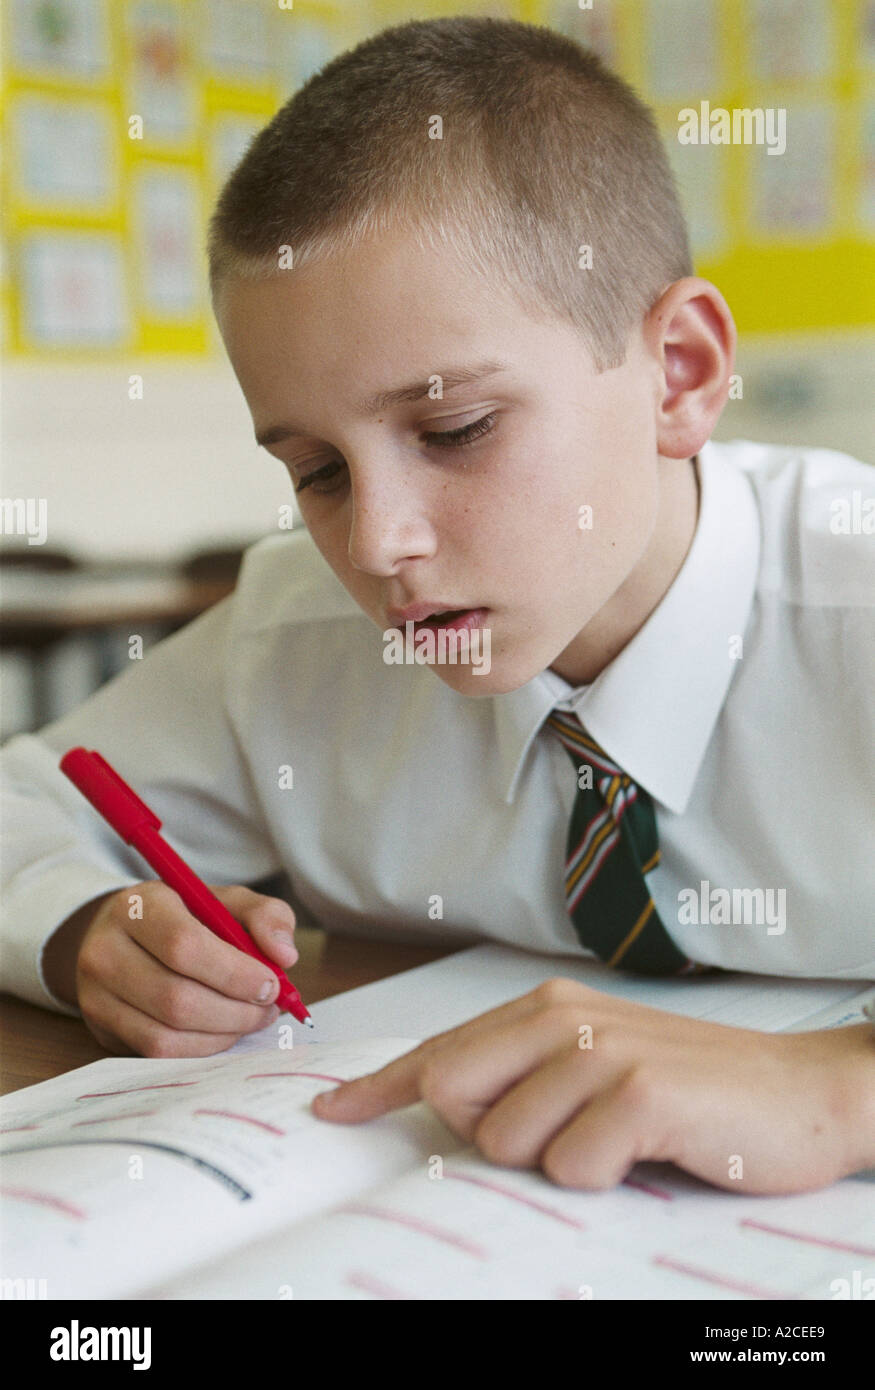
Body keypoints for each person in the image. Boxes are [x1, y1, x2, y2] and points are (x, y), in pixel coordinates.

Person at [2, 17, 873, 1195]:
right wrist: (82, 928)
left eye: (454, 429)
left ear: (677, 373)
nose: (375, 544)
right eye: (316, 469)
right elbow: (22, 805)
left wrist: (835, 1090)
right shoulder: (296, 635)